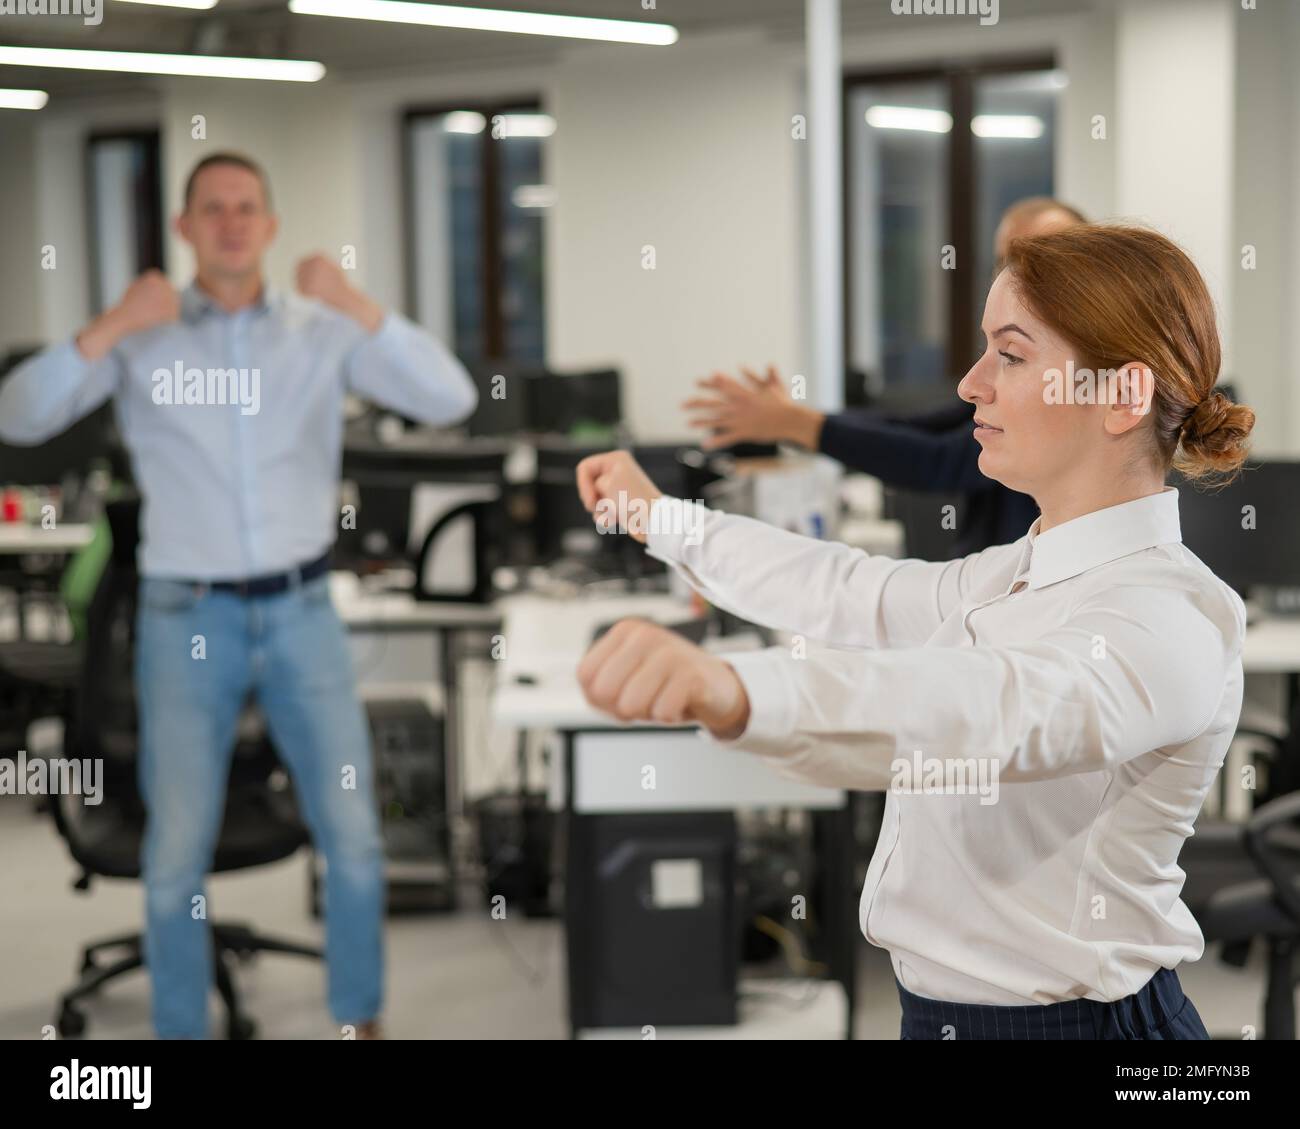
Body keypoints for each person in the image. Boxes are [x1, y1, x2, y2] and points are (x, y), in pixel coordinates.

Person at [573, 224, 1255, 1040]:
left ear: (1121, 397)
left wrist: (736, 688)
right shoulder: (1011, 573)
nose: (971, 385)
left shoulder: (1171, 614)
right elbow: (849, 589)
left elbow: (986, 712)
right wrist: (661, 520)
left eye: (1010, 354)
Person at [0, 152, 478, 1039]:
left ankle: (357, 1020)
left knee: (356, 836)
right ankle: (182, 1033)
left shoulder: (319, 330)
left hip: (302, 613)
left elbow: (449, 398)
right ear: (183, 228)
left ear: (271, 224)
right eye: (212, 209)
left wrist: (357, 303)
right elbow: (17, 416)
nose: (230, 222)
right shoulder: (142, 338)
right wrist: (108, 323)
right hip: (188, 619)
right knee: (175, 855)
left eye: (247, 208)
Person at [683, 197, 1088, 555]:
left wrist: (801, 425)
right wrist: (797, 419)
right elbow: (924, 427)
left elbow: (939, 460)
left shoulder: (1076, 373)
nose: (971, 386)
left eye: (1042, 259)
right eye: (1007, 262)